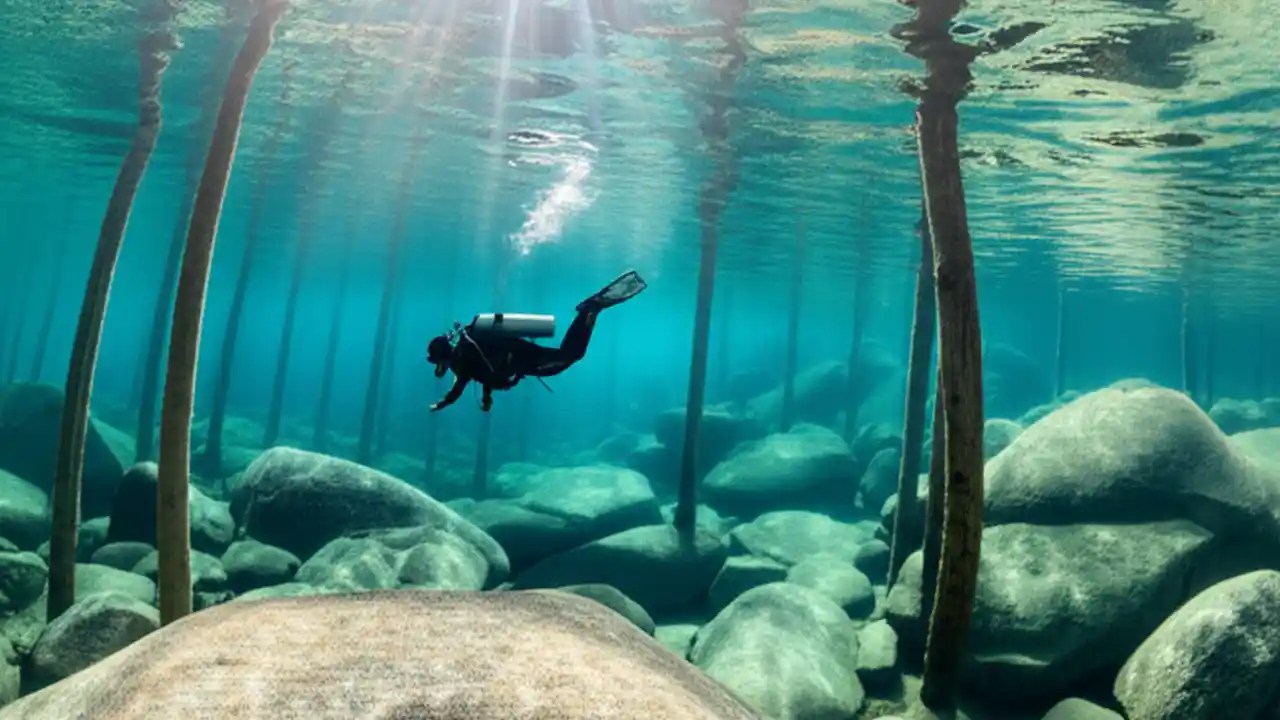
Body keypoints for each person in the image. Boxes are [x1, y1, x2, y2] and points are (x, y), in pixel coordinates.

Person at [427, 270, 647, 413]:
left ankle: (588, 311)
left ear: (442, 358)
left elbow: (461, 387)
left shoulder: (462, 360)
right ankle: (588, 312)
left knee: (569, 356)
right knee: (565, 358)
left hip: (524, 359)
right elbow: (485, 372)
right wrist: (486, 399)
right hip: (520, 353)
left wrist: (440, 404)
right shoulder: (467, 349)